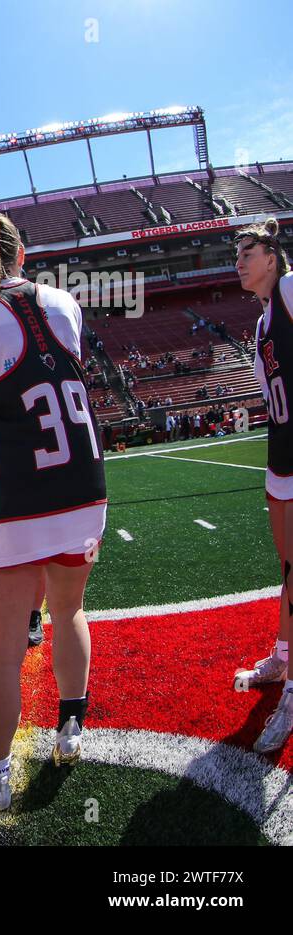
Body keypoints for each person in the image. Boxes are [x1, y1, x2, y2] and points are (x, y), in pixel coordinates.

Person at [0, 202, 106, 810]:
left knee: (3, 648)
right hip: (83, 487)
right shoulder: (64, 303)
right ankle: (71, 724)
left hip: (15, 494)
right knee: (70, 610)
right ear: (21, 255)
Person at [232, 219, 293, 752]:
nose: (239, 260)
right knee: (289, 567)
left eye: (247, 251)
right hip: (281, 455)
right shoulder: (262, 322)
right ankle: (283, 655)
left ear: (272, 256)